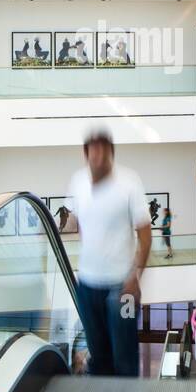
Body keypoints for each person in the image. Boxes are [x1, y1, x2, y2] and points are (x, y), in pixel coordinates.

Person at [64, 130, 151, 377]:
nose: (99, 157)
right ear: (86, 154)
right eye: (94, 151)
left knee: (124, 358)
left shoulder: (129, 182)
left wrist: (135, 276)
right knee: (98, 356)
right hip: (87, 286)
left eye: (104, 151)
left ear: (111, 154)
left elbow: (145, 235)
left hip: (122, 289)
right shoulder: (78, 182)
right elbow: (81, 225)